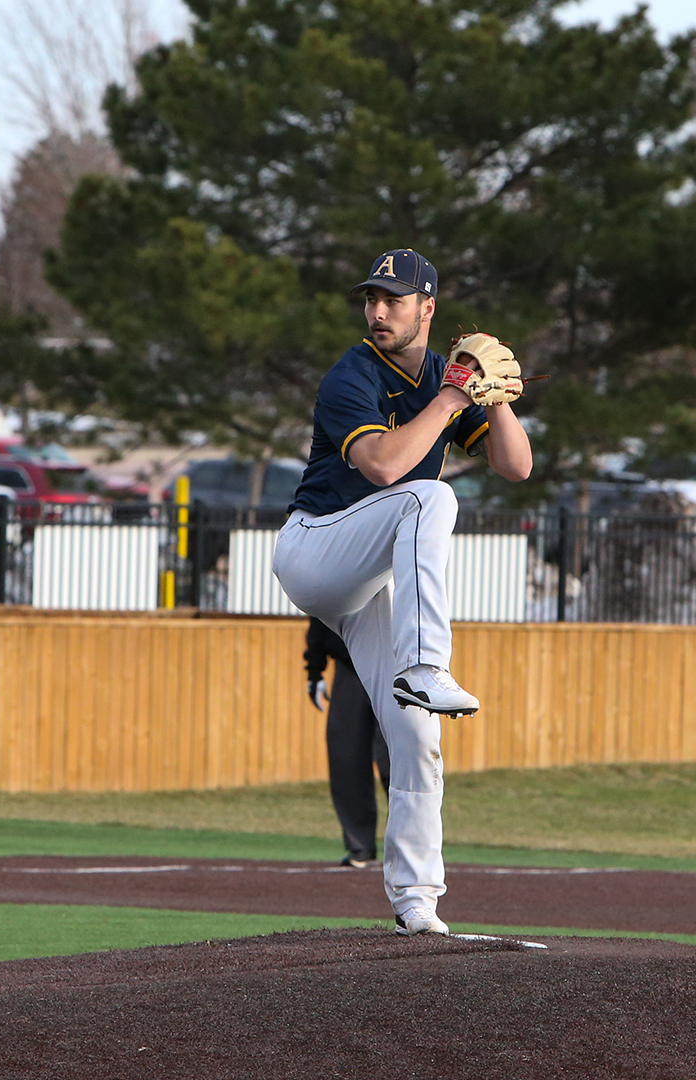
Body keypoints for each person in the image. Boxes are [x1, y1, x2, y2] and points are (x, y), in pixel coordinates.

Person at [273, 248, 532, 936]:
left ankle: (416, 902)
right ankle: (424, 665)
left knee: (417, 735)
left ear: (428, 308)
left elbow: (516, 466)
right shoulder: (351, 374)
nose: (378, 310)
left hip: (368, 585)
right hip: (315, 549)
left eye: (394, 298)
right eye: (372, 297)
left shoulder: (441, 377)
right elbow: (385, 467)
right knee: (429, 497)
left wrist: (497, 401)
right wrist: (451, 399)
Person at [304, 617, 390, 869]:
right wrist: (315, 669)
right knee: (347, 757)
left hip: (395, 668)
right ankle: (359, 846)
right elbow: (321, 609)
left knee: (397, 763)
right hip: (349, 666)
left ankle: (411, 846)